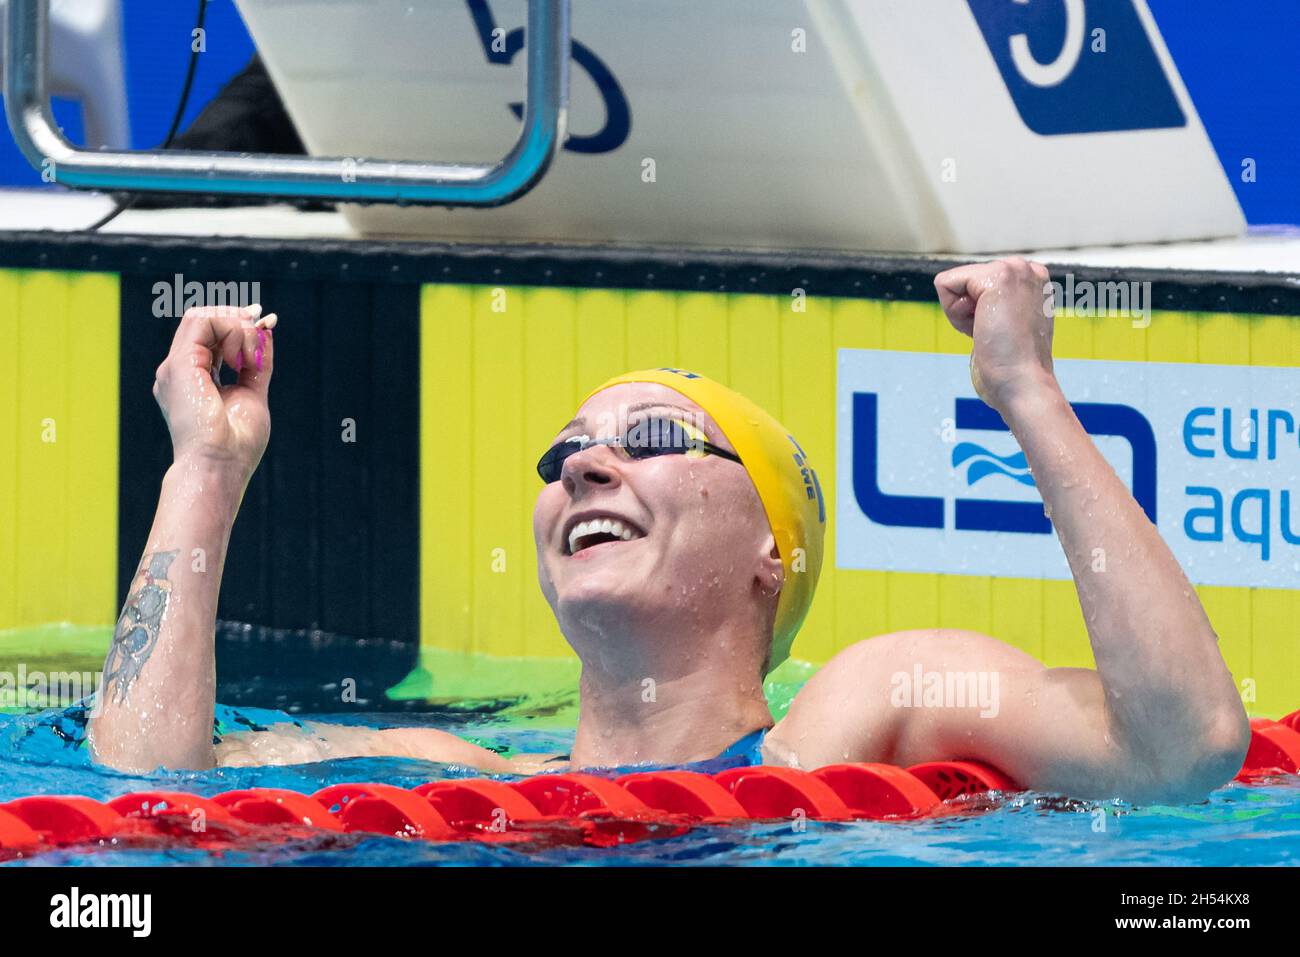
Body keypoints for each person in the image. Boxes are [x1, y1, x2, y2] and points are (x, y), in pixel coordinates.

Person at [87, 258, 1250, 803]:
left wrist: (1024, 391)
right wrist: (207, 469)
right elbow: (146, 784)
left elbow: (1184, 747)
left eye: (652, 439)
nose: (582, 464)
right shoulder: (455, 774)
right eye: (563, 455)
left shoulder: (847, 718)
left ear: (771, 553)